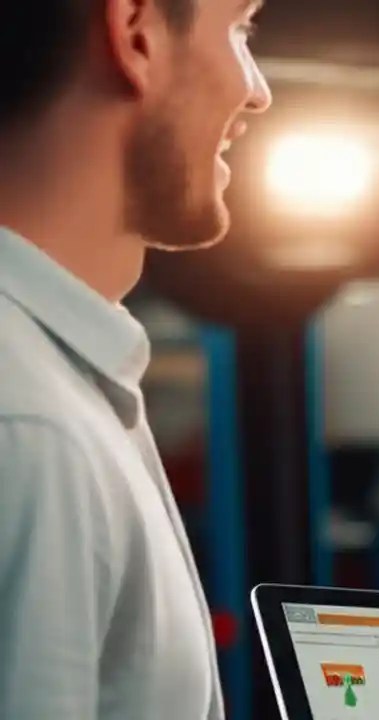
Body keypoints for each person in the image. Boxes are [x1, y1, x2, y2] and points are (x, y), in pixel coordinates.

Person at [0, 0, 271, 717]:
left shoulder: (54, 383)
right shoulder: (30, 426)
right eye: (240, 29)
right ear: (136, 34)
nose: (257, 92)